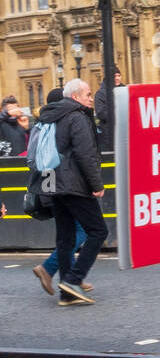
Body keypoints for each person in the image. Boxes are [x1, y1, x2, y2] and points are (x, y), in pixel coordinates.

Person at [35, 79, 108, 306]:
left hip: (53, 184)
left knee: (65, 238)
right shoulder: (77, 117)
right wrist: (97, 185)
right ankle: (74, 280)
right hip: (74, 185)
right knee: (98, 231)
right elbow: (85, 155)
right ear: (75, 96)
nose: (90, 98)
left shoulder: (50, 116)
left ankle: (67, 294)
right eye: (87, 94)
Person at [31, 87, 91, 297]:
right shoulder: (56, 124)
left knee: (67, 234)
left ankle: (71, 278)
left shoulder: (42, 124)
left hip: (50, 187)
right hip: (62, 186)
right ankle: (52, 269)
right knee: (83, 231)